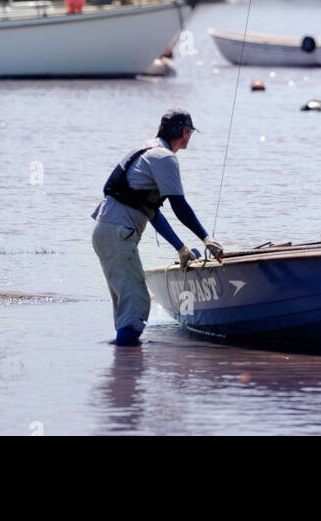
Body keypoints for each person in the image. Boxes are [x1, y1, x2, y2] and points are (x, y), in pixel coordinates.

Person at [91, 109, 225, 347]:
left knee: (128, 306)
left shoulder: (147, 149)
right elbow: (179, 206)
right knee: (136, 305)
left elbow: (151, 211)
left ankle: (123, 361)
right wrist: (206, 238)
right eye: (191, 132)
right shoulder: (164, 157)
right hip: (117, 233)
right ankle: (127, 366)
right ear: (184, 132)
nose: (190, 137)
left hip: (110, 232)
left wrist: (181, 248)